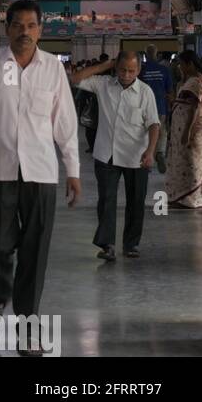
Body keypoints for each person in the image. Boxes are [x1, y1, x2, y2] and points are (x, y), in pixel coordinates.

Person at [0, 0, 80, 356]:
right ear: (7, 28)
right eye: (18, 25)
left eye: (31, 26)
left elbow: (65, 124)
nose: (24, 32)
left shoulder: (53, 71)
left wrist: (72, 171)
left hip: (41, 171)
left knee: (35, 250)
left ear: (40, 30)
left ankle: (28, 327)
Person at [71, 52, 160, 260]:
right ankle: (107, 245)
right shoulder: (103, 85)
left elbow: (154, 124)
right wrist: (106, 65)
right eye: (122, 69)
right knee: (106, 200)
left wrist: (151, 151)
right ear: (115, 67)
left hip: (136, 156)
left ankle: (131, 245)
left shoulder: (145, 92)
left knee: (136, 201)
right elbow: (75, 79)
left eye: (131, 70)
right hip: (106, 155)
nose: (126, 74)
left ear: (138, 70)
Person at [165, 50, 202, 209]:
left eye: (181, 64)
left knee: (192, 163)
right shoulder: (190, 80)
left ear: (189, 64)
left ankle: (193, 199)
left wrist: (187, 131)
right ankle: (182, 198)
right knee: (184, 163)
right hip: (184, 129)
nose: (179, 67)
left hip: (192, 130)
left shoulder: (197, 81)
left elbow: (194, 107)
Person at [138, 44, 174, 174]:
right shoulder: (164, 70)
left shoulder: (141, 70)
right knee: (162, 131)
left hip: (143, 107)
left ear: (145, 55)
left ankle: (148, 159)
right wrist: (171, 105)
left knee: (146, 133)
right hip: (161, 105)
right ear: (157, 54)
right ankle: (160, 152)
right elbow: (170, 91)